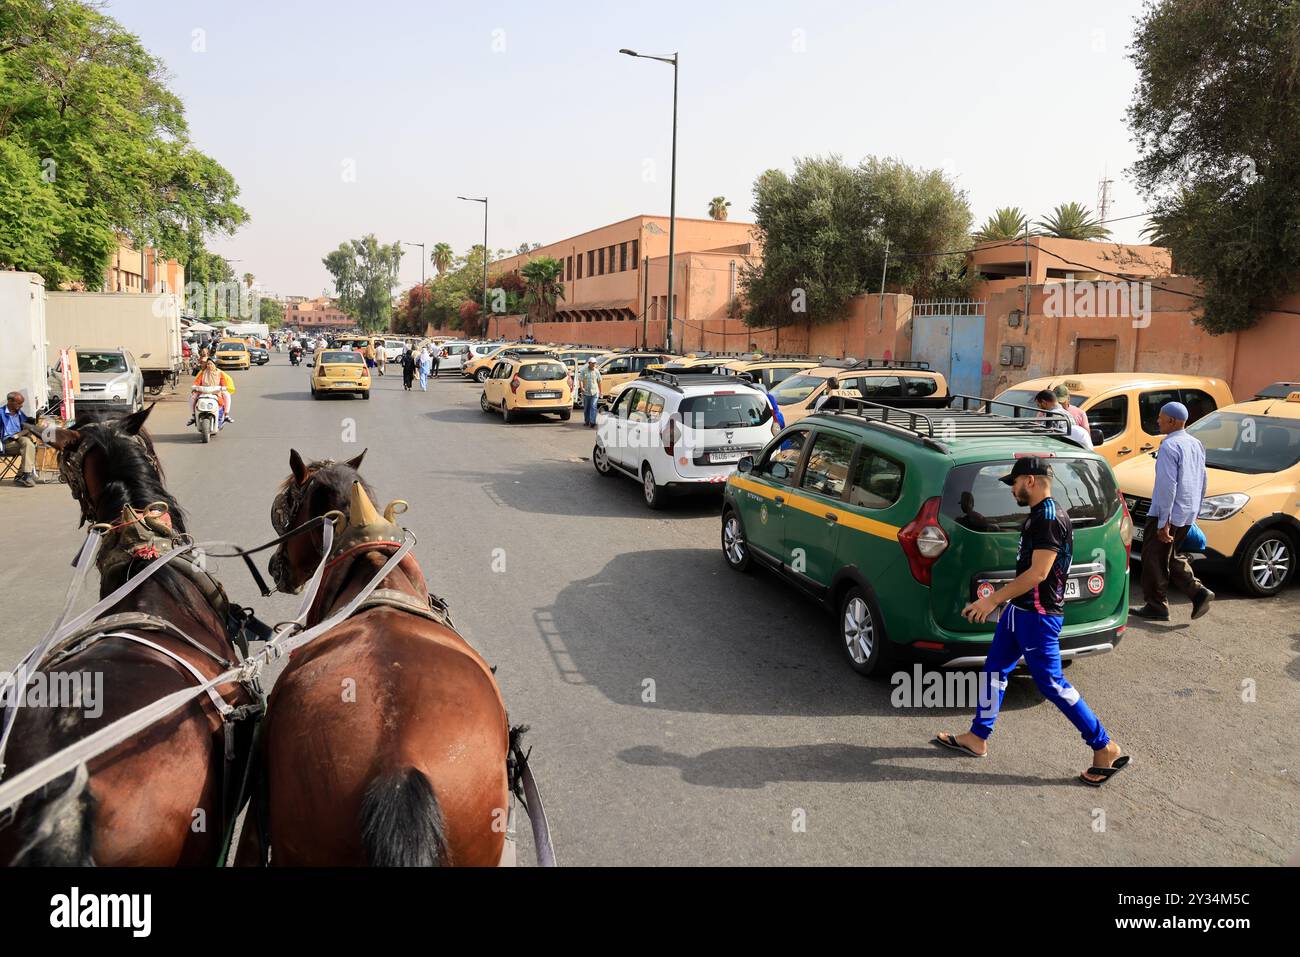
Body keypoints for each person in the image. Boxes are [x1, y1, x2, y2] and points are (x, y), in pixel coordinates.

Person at [934, 456, 1128, 787]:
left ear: (1031, 481)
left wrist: (993, 599)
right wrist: (1004, 602)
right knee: (995, 669)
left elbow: (1039, 573)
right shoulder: (1037, 515)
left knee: (1051, 683)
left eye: (1014, 482)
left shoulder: (1049, 519)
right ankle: (978, 736)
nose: (1012, 489)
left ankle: (1104, 746)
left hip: (1038, 617)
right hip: (1018, 612)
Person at [1131, 401, 1214, 622]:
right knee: (1168, 557)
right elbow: (1202, 480)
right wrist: (1194, 511)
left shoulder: (1169, 446)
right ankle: (1198, 593)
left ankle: (1157, 605)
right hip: (1187, 512)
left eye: (1161, 417)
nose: (1157, 420)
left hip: (1166, 513)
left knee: (1152, 559)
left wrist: (1163, 522)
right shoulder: (1196, 444)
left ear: (1172, 421)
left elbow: (1168, 487)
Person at [2, 391, 39, 487]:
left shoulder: (20, 414)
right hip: (7, 443)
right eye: (19, 403)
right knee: (29, 445)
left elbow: (28, 426)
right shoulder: (1, 413)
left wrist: (26, 430)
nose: (21, 406)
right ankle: (25, 475)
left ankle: (22, 475)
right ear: (10, 401)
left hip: (19, 439)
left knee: (29, 444)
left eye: (22, 403)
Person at [187, 360, 235, 425]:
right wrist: (194, 386)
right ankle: (193, 416)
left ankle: (226, 414)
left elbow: (223, 382)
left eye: (211, 364)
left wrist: (223, 387)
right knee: (192, 397)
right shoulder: (203, 373)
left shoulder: (220, 373)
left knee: (226, 394)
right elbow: (197, 381)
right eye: (208, 364)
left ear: (214, 365)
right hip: (203, 391)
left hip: (216, 391)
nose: (209, 366)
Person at [578, 357, 601, 427]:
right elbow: (581, 380)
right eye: (592, 363)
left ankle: (592, 422)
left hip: (595, 392)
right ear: (589, 363)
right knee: (586, 408)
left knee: (593, 406)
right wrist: (581, 387)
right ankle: (587, 421)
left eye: (595, 363)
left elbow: (599, 381)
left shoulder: (597, 371)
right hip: (586, 392)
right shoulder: (584, 371)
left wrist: (600, 391)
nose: (594, 365)